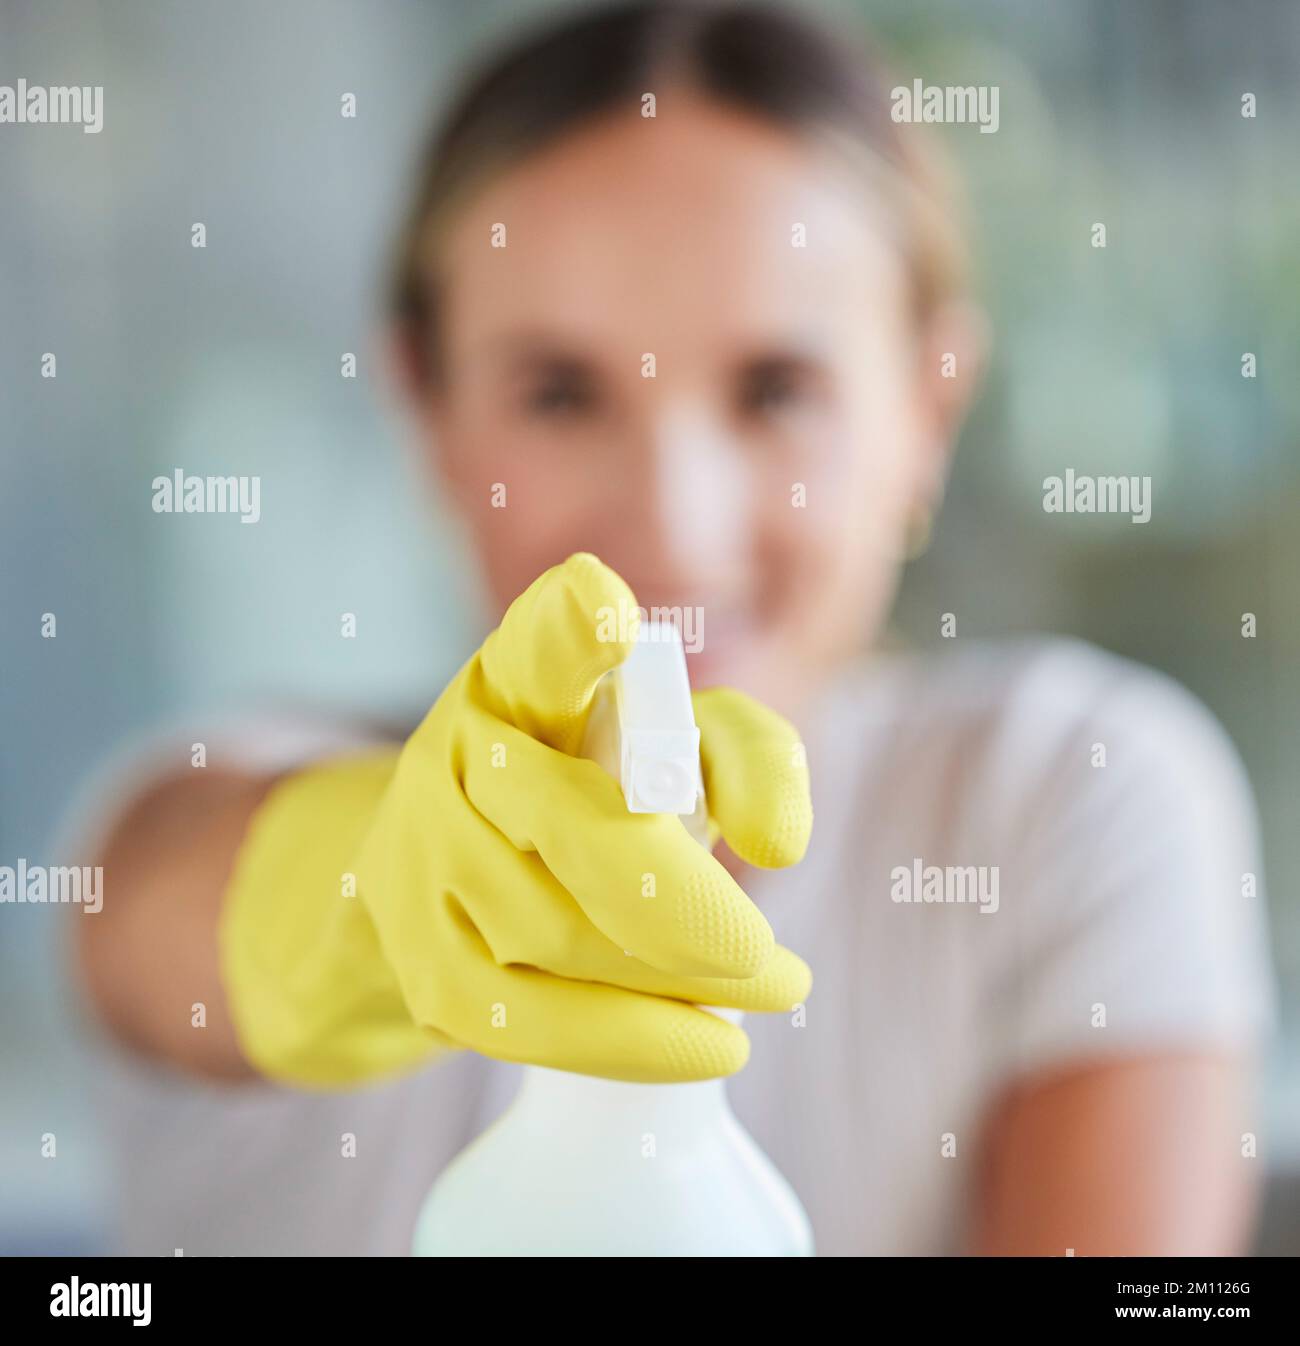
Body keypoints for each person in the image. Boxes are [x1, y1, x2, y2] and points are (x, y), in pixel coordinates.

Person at [72, 0, 1275, 1256]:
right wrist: (370, 898)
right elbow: (155, 905)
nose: (674, 530)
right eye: (559, 392)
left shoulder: (1066, 794)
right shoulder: (196, 803)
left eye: (776, 391)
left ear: (927, 406)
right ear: (428, 412)